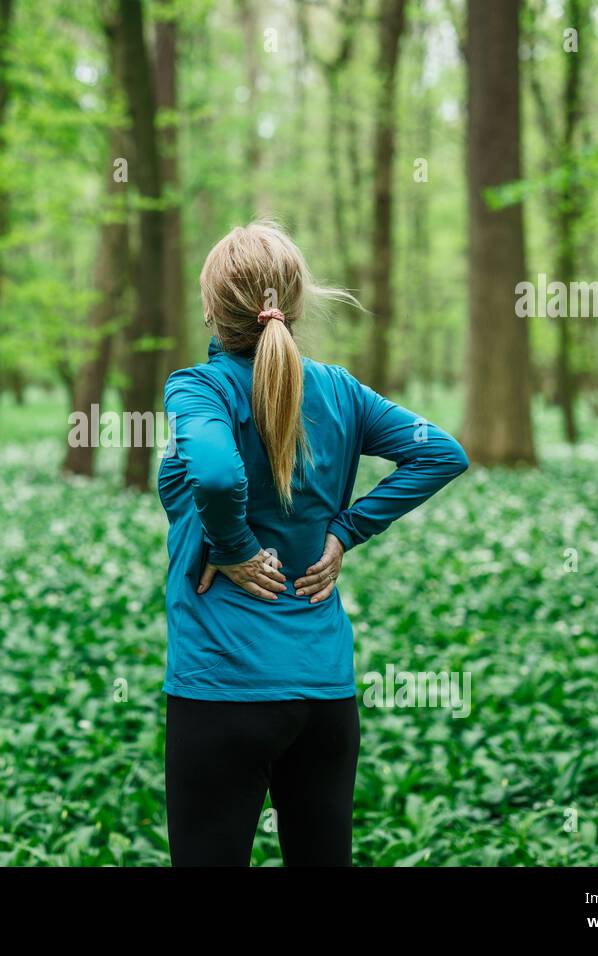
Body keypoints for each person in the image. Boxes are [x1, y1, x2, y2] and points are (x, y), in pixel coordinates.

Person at [157, 221, 469, 866]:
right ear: (294, 306)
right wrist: (347, 530)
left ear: (211, 307)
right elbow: (440, 453)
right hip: (323, 696)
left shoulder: (200, 388)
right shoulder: (341, 390)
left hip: (220, 686)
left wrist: (235, 545)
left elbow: (215, 473)